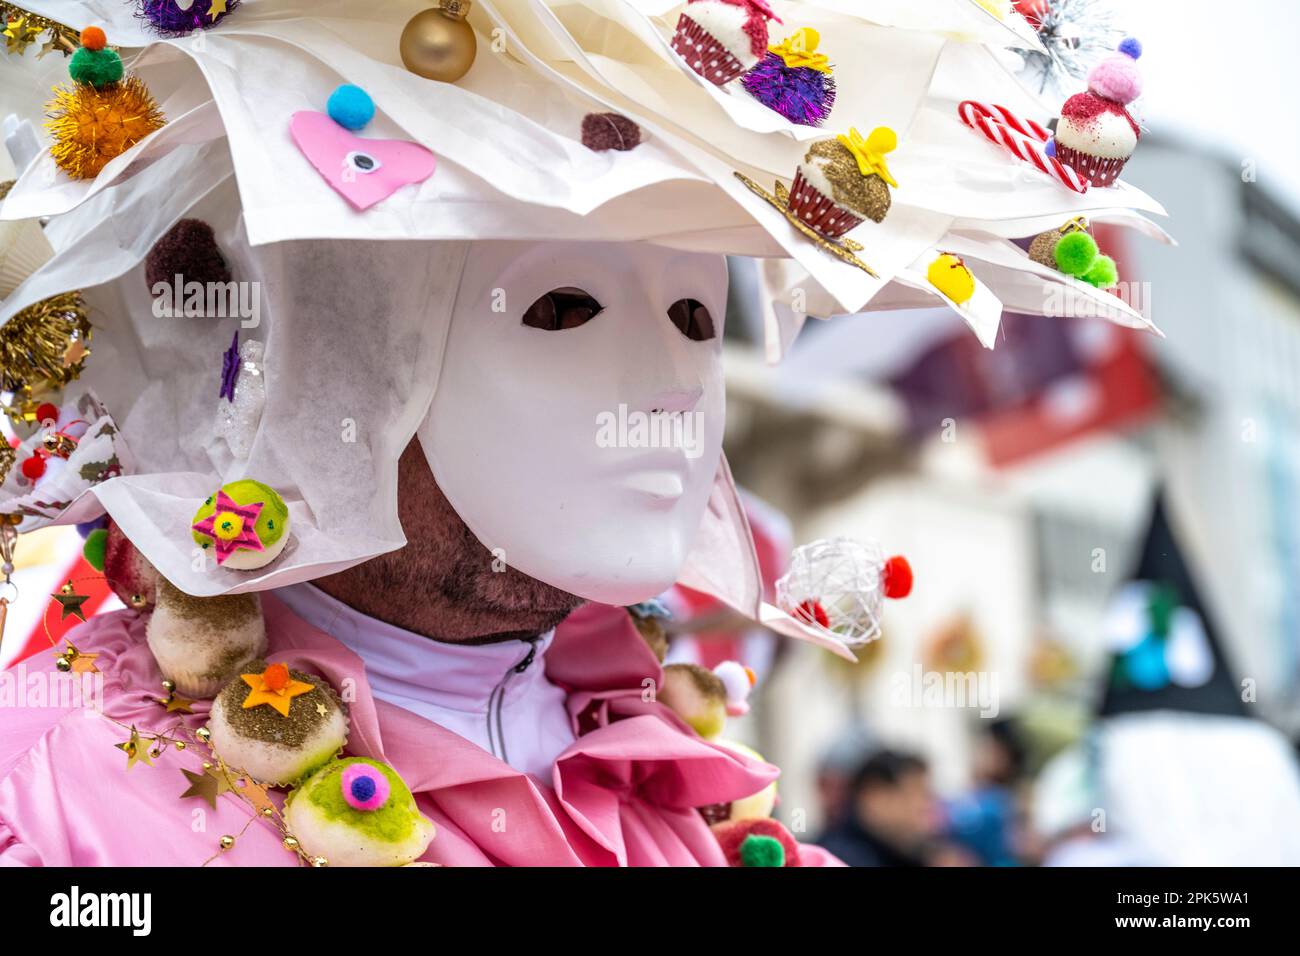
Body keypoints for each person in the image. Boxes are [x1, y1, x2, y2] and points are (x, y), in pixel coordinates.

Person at [0, 1, 1167, 867]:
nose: (671, 387)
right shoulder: (61, 789)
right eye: (565, 306)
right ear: (328, 363)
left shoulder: (684, 790)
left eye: (698, 316)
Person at [816, 749, 940, 867]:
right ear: (874, 798)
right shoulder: (840, 858)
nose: (925, 804)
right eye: (915, 792)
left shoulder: (904, 853)